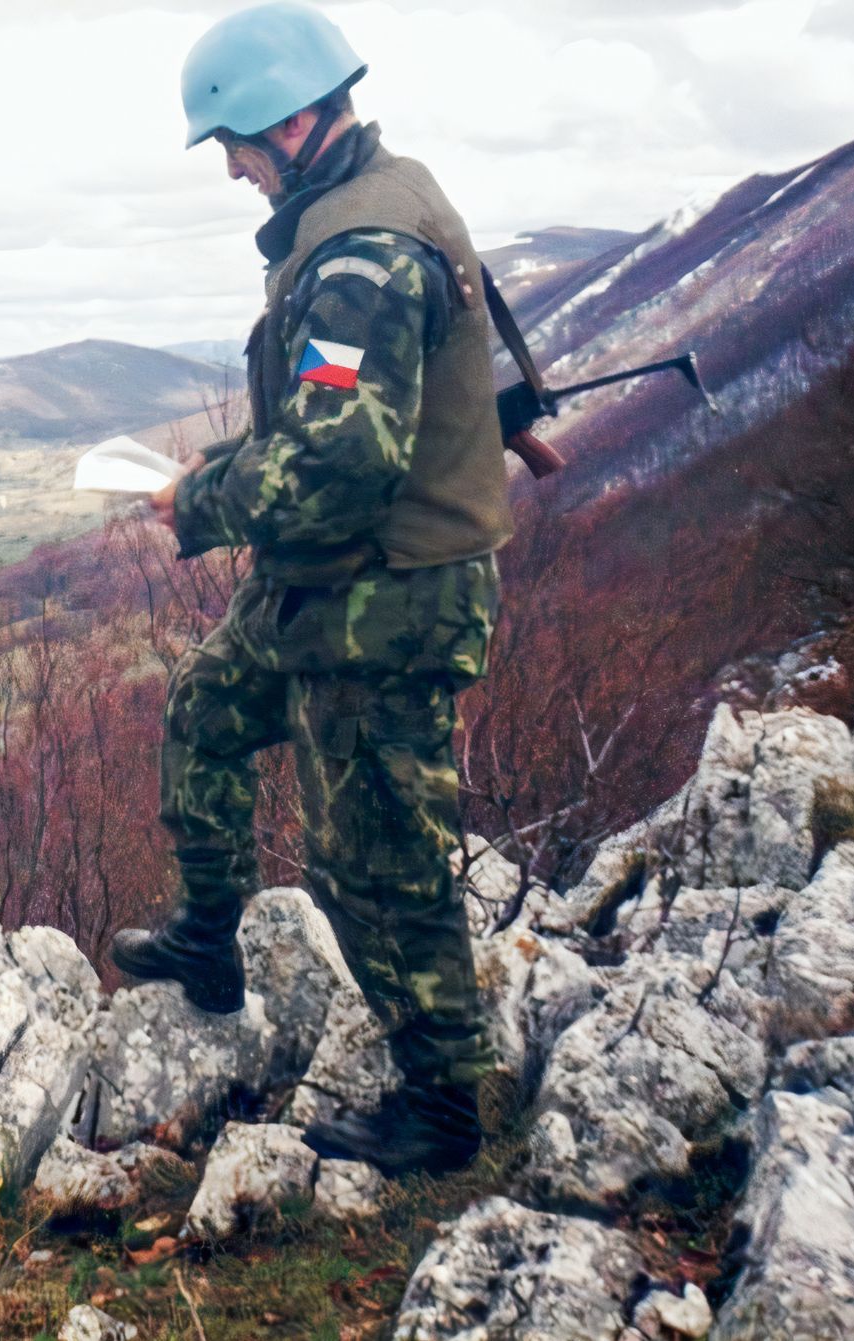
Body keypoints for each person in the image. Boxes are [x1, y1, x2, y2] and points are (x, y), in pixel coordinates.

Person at [109, 3, 515, 1177]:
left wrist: (198, 504)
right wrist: (223, 474)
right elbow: (336, 432)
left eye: (233, 140)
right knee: (207, 711)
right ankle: (207, 940)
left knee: (377, 861)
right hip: (327, 579)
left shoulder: (361, 254)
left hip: (388, 599)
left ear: (293, 117)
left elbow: (342, 463)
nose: (231, 167)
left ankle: (442, 1106)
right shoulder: (365, 207)